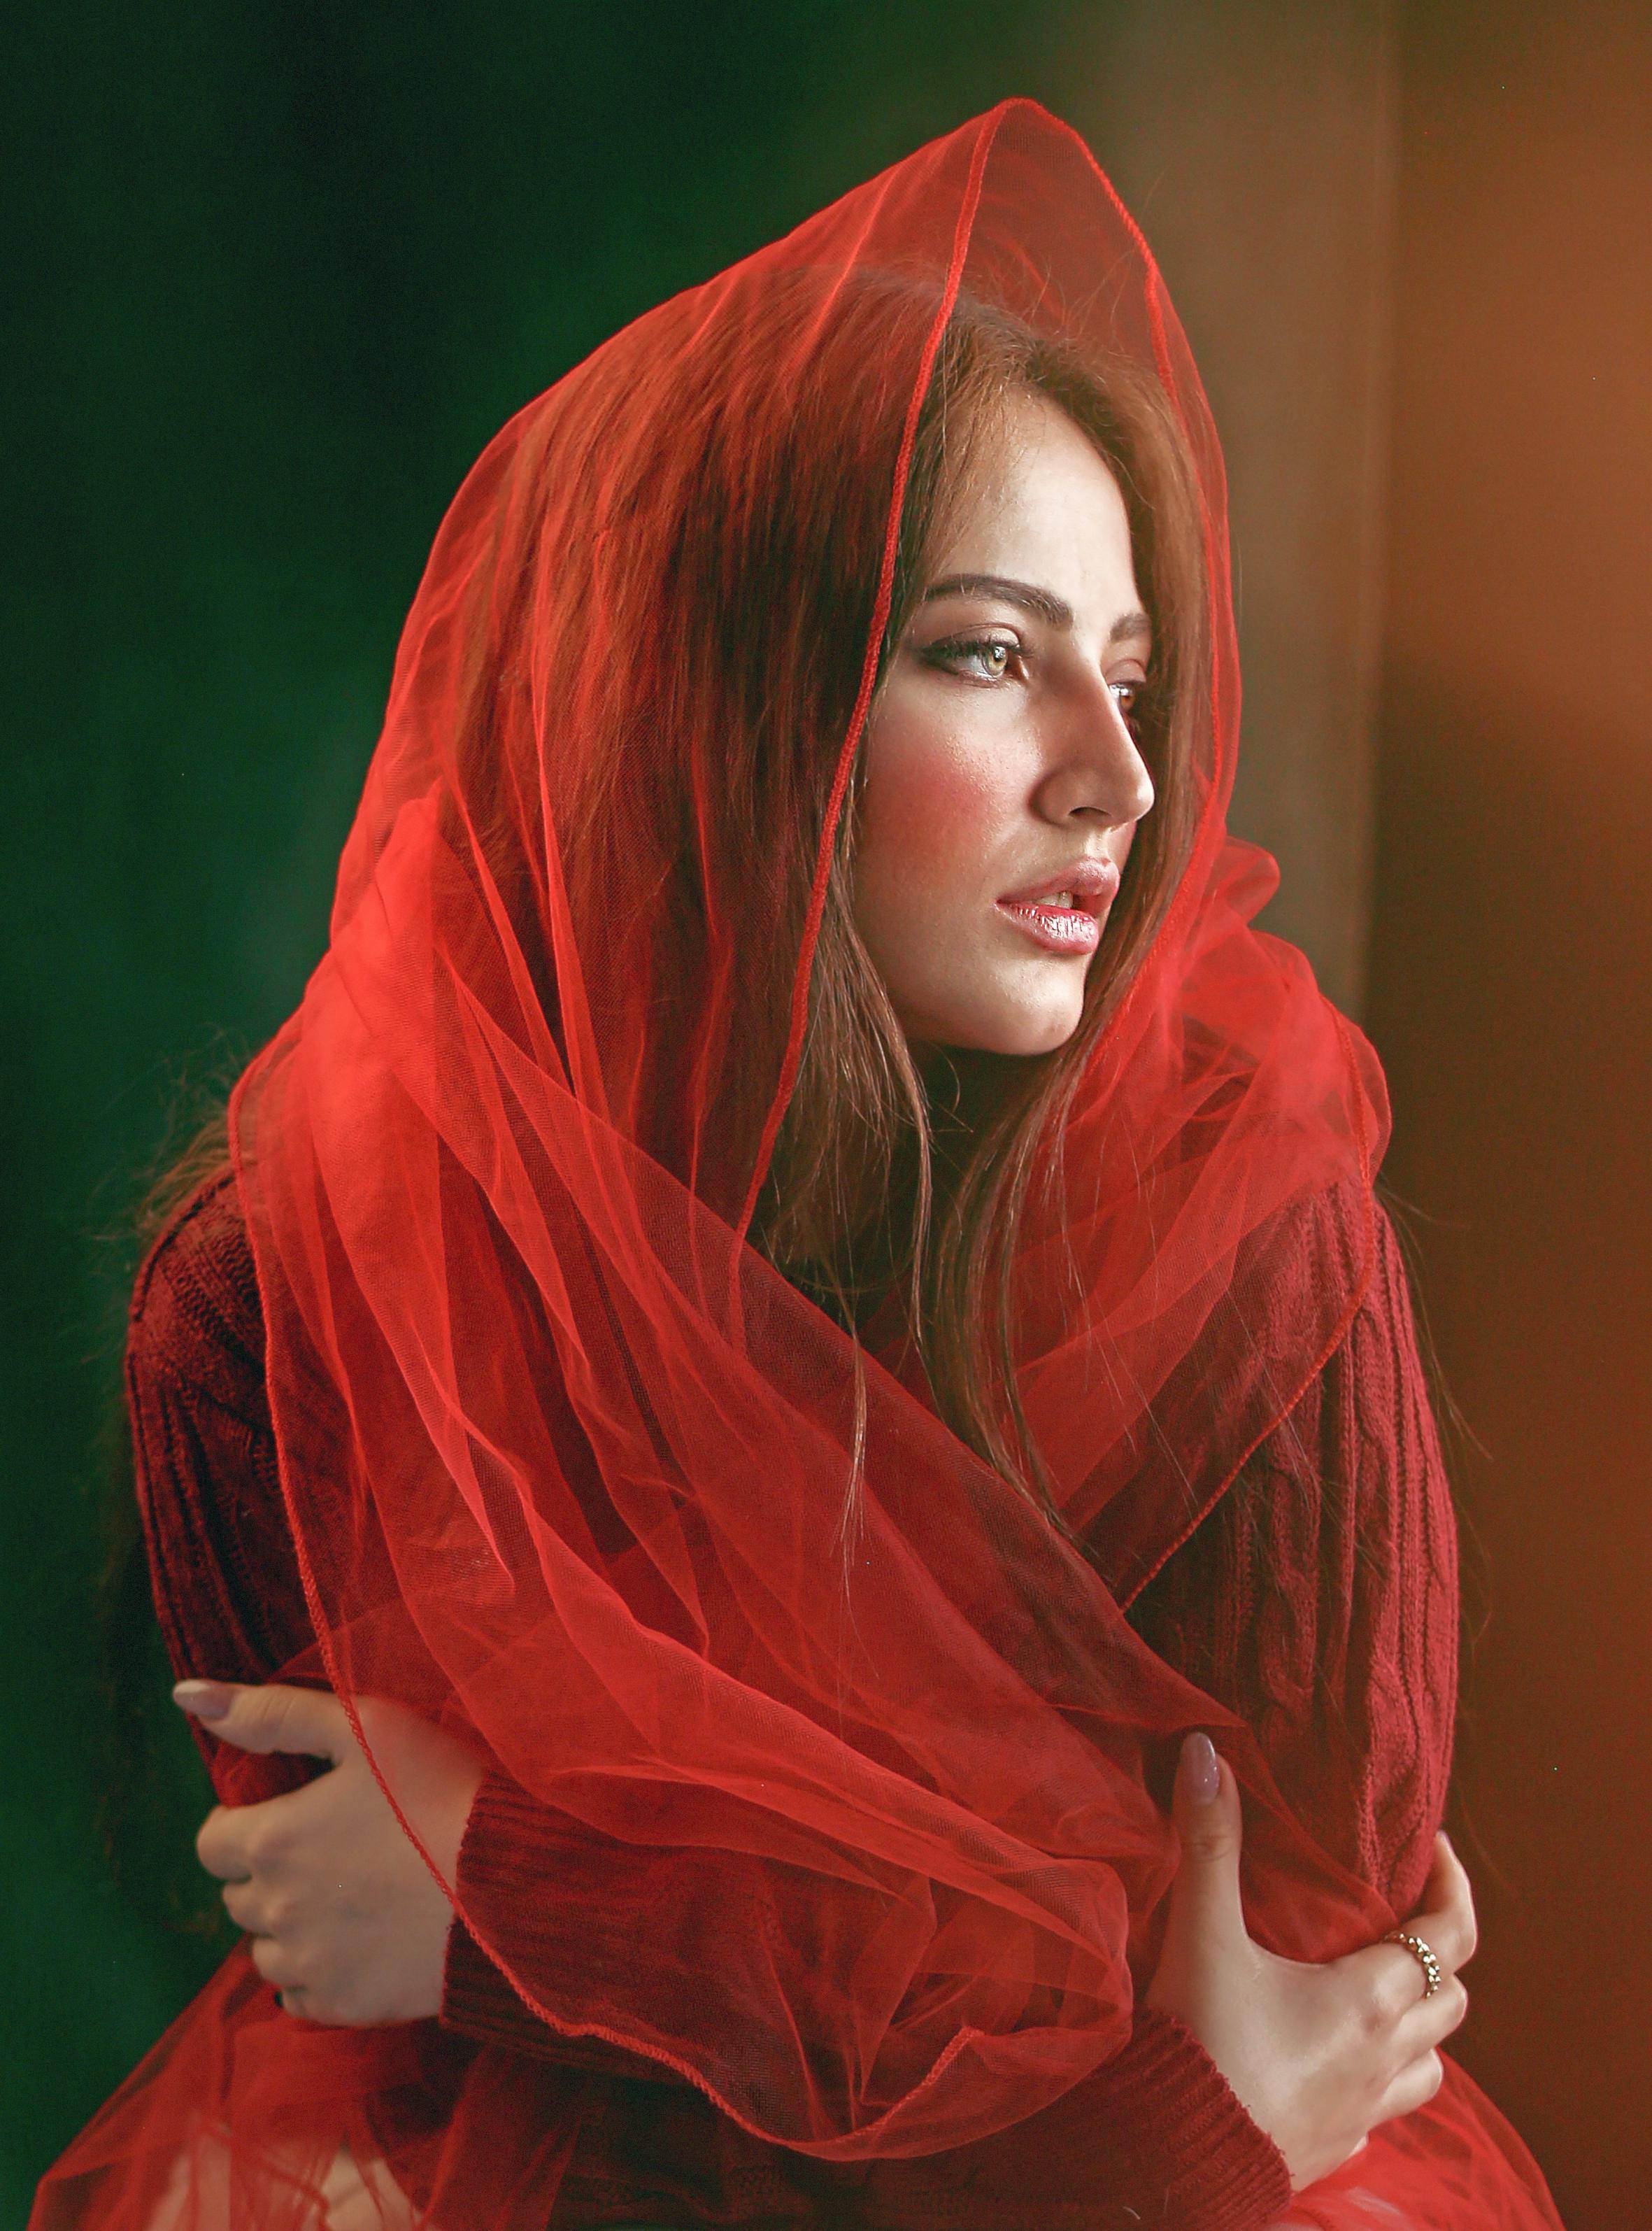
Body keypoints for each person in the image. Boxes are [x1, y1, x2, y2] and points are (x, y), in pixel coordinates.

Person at [34, 101, 1562, 2231]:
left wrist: (533, 1898)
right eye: (983, 653)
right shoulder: (280, 1287)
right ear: (718, 707)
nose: (1117, 779)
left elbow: (1314, 2002)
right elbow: (385, 2028)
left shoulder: (1254, 1239)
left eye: (1126, 674)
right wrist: (1111, 2080)